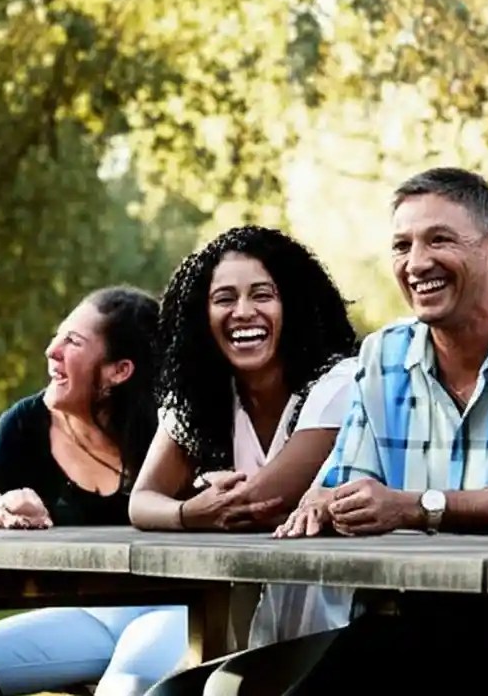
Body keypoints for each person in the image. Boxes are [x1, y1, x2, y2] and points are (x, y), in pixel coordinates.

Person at [196, 167, 488, 694]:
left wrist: (413, 507)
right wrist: (322, 502)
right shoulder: (383, 354)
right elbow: (343, 486)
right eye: (402, 246)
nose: (417, 262)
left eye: (439, 240)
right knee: (230, 686)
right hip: (416, 624)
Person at [128, 225, 360, 658]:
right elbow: (141, 501)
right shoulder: (200, 398)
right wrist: (188, 512)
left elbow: (260, 504)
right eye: (224, 299)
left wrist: (200, 504)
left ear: (292, 304)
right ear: (203, 315)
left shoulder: (338, 383)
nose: (243, 311)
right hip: (248, 634)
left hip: (335, 632)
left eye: (262, 295)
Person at [0, 286, 187, 696]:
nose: (51, 350)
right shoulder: (27, 421)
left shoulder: (168, 428)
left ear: (119, 371)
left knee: (125, 688)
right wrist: (0, 508)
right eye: (59, 335)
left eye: (73, 341)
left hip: (173, 608)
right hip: (85, 616)